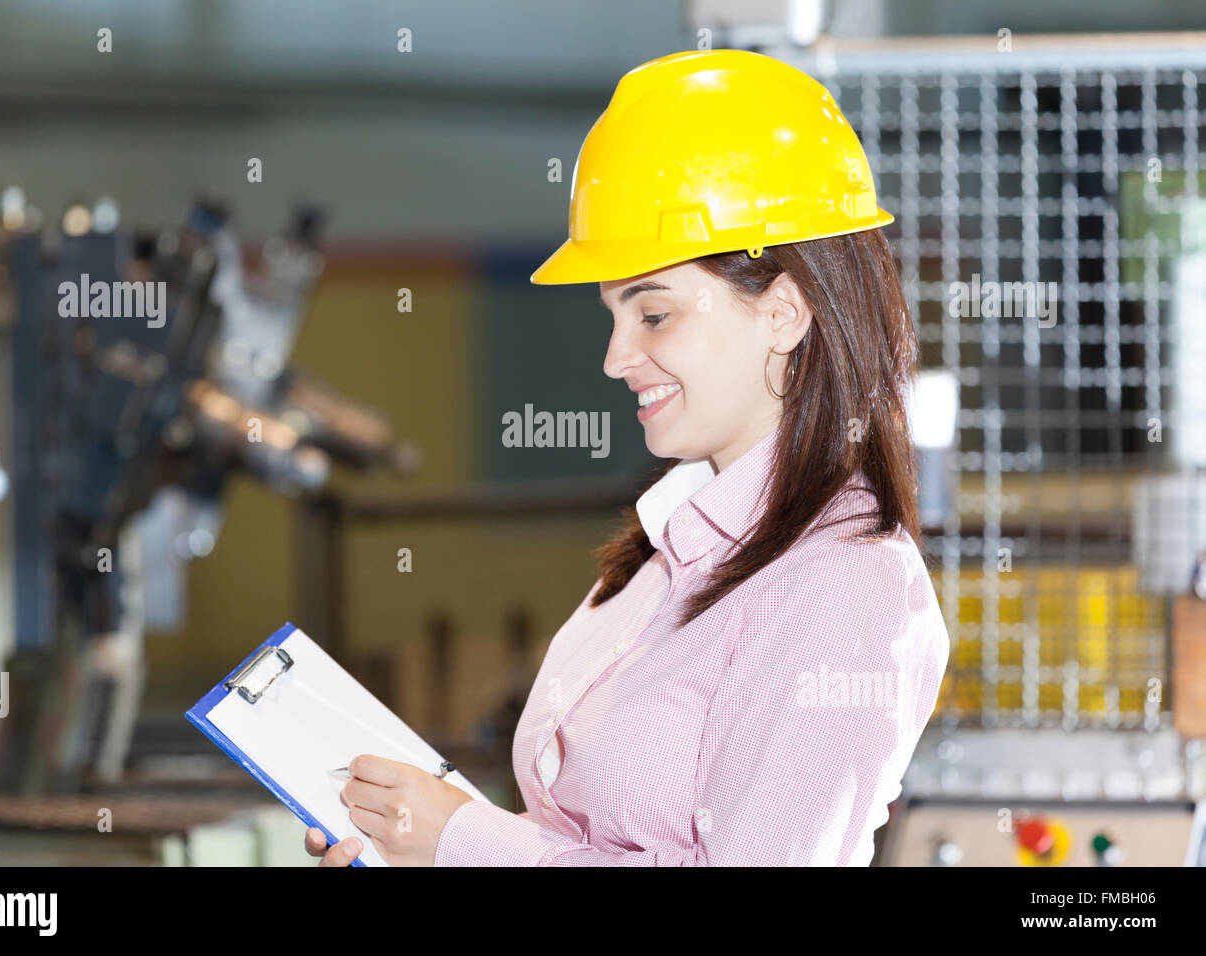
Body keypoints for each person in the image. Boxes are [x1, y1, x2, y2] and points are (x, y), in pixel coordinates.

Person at [306, 48, 950, 867]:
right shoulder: (675, 544)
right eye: (615, 315)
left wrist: (465, 842)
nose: (615, 357)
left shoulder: (842, 586)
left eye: (653, 314)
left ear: (784, 313)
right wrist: (419, 844)